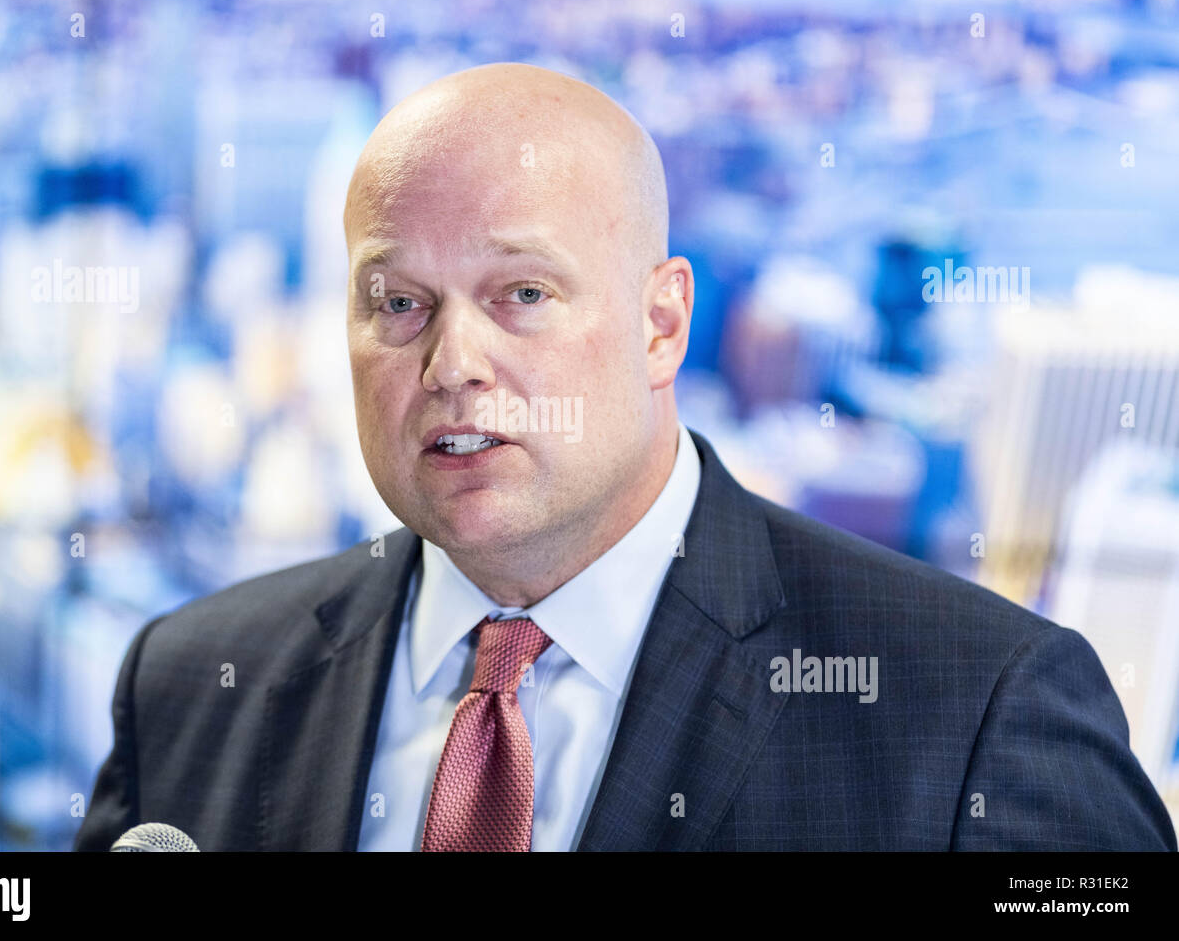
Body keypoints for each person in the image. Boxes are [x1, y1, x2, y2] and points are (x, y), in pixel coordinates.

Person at [75, 62, 1176, 852]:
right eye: (399, 302)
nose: (453, 359)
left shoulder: (976, 709)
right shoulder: (185, 685)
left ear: (661, 324)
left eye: (523, 294)